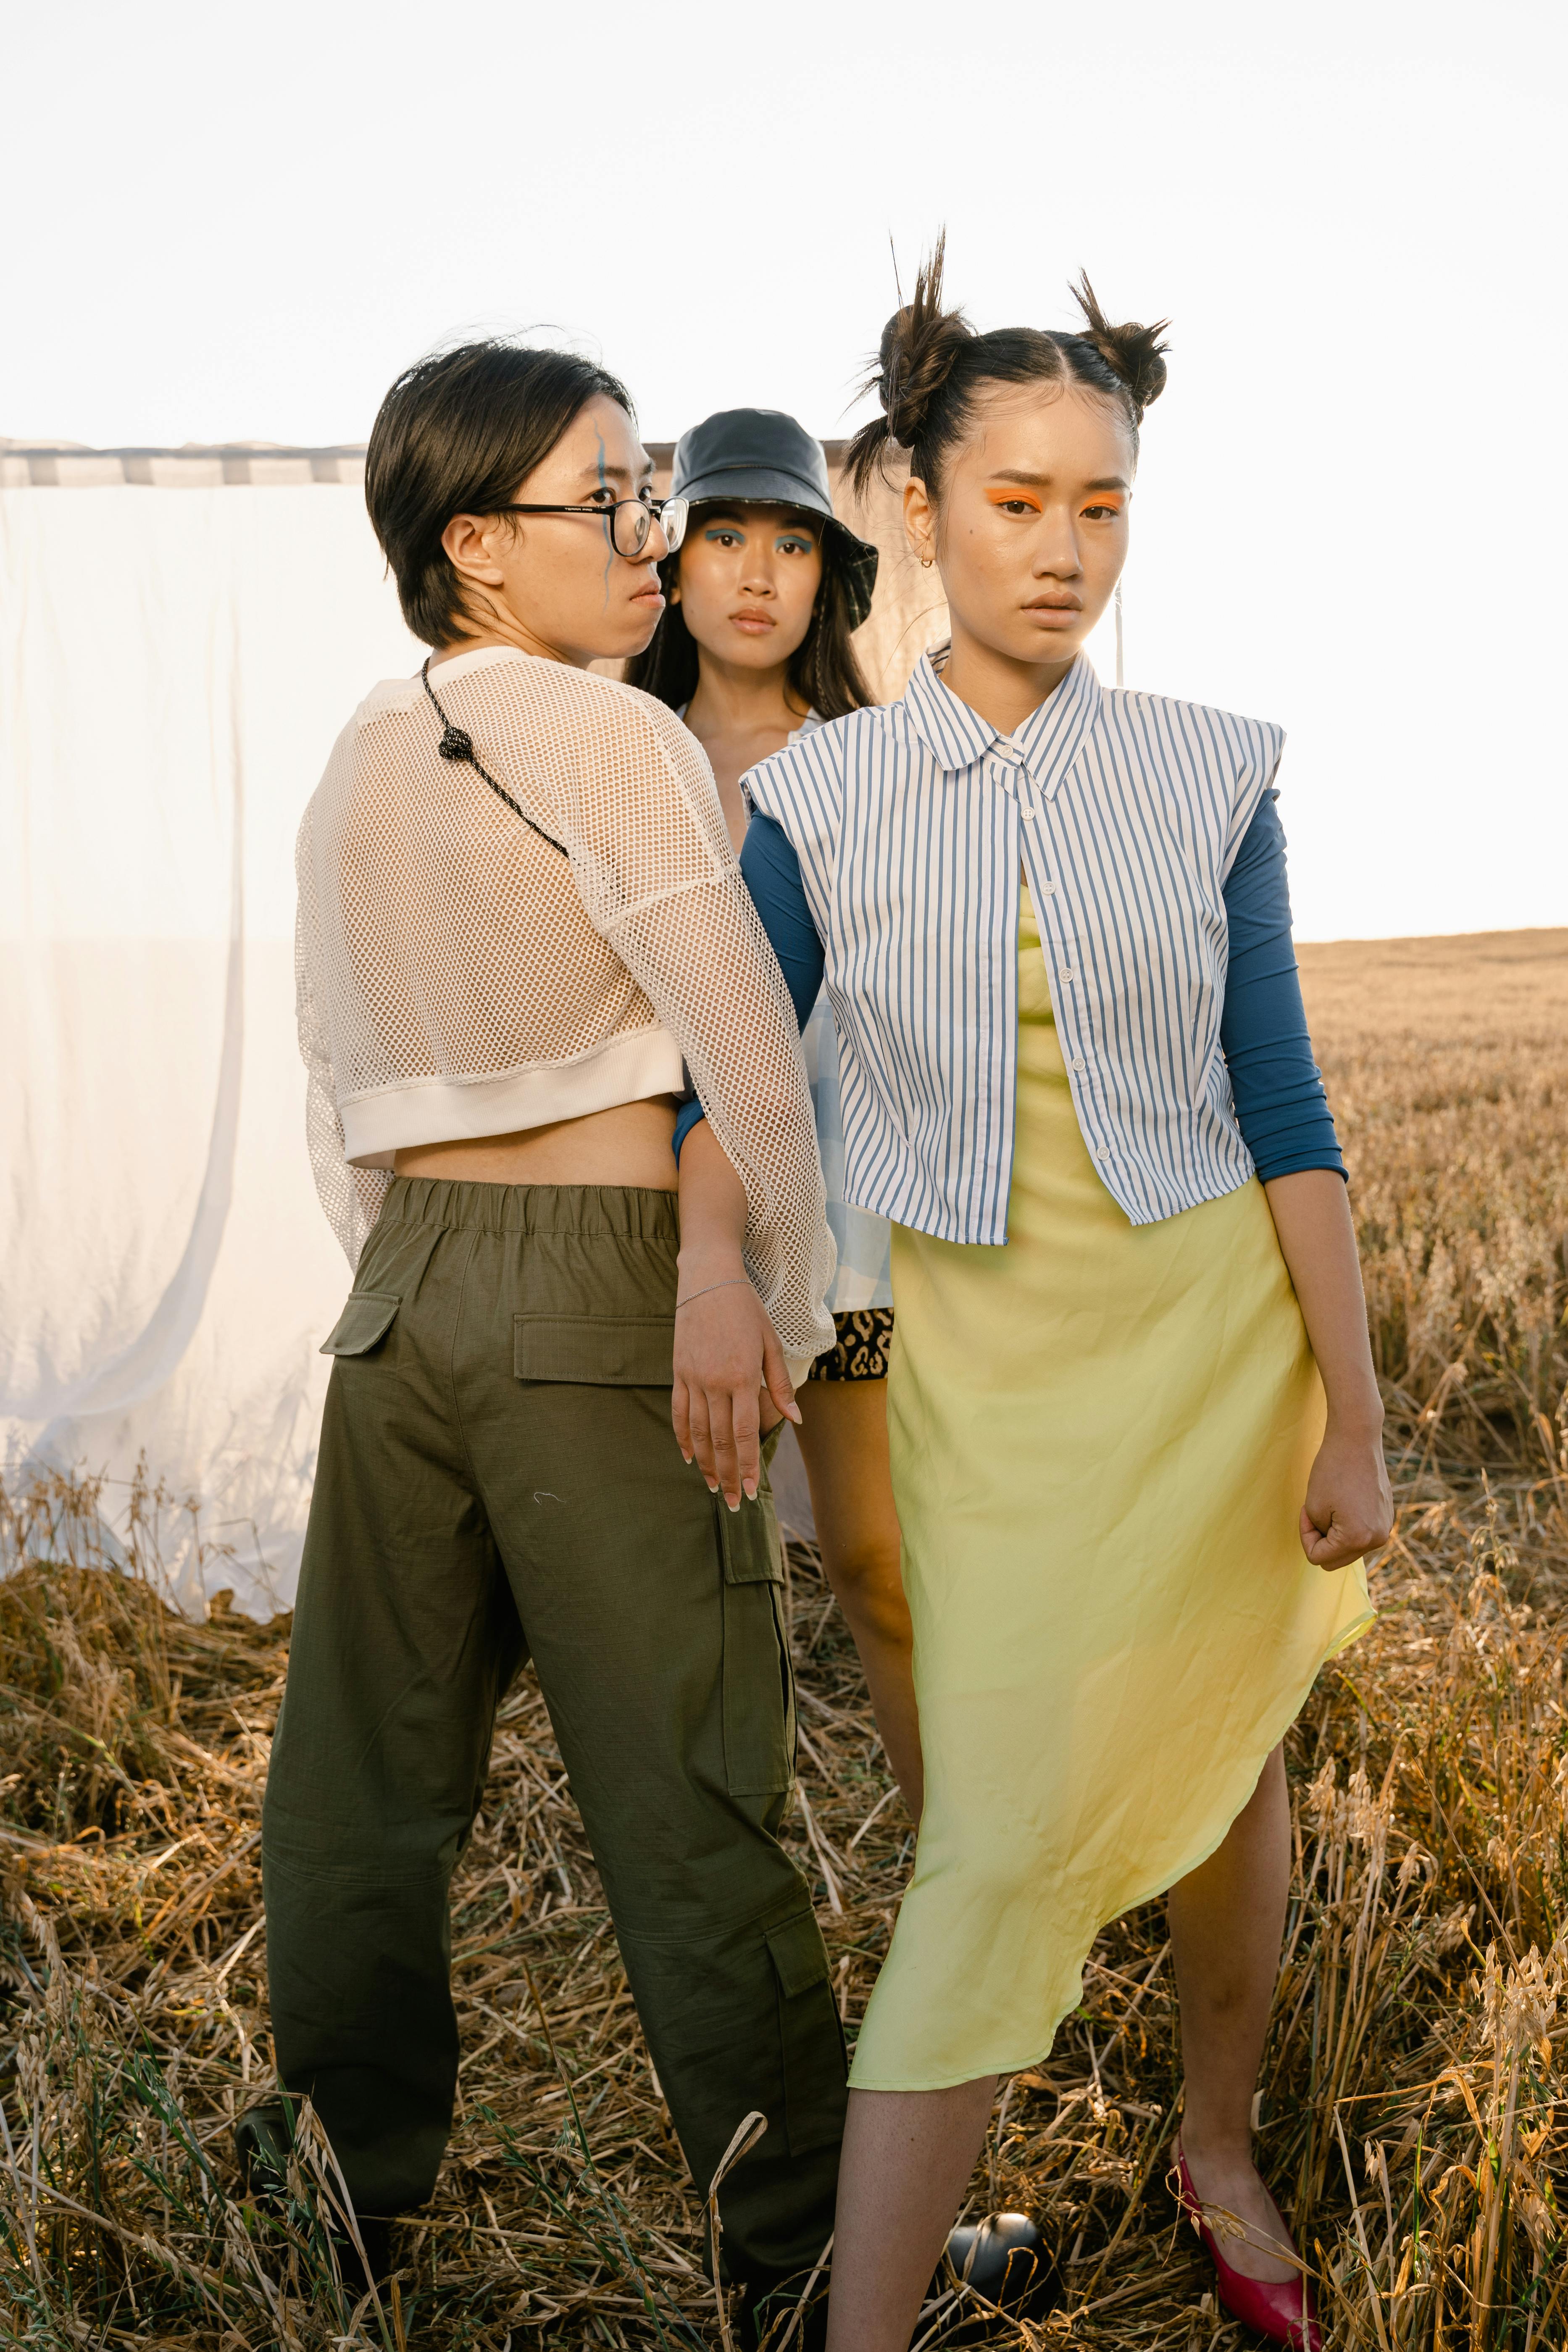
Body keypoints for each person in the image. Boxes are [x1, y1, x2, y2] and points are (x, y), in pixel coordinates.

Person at [678, 247, 1392, 2351]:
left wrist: (1349, 1406)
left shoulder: (1214, 770)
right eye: (1017, 501)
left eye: (1104, 503)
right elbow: (748, 1072)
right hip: (983, 1378)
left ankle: (1220, 2139)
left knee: (1228, 1756)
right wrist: (713, 1266)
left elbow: (1287, 1105)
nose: (1066, 548)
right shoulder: (819, 800)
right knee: (992, 1841)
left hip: (1210, 1362)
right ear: (913, 497)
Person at [248, 338, 851, 2345]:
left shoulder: (355, 747)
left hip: (404, 1292)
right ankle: (812, 2266)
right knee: (690, 1789)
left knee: (357, 1791)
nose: (650, 532)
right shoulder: (611, 735)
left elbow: (335, 1076)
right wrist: (790, 1309)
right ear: (478, 542)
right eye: (613, 494)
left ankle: (335, 2223)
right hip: (600, 1283)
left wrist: (419, 1267)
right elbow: (747, 1055)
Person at [628, 409, 923, 1817]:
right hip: (642, 1206)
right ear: (673, 563)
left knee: (877, 1566)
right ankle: (716, 1887)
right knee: (675, 1585)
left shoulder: (877, 762)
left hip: (848, 1213)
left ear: (827, 580)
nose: (757, 572)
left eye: (792, 542)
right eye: (727, 535)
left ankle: (954, 1892)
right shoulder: (615, 756)